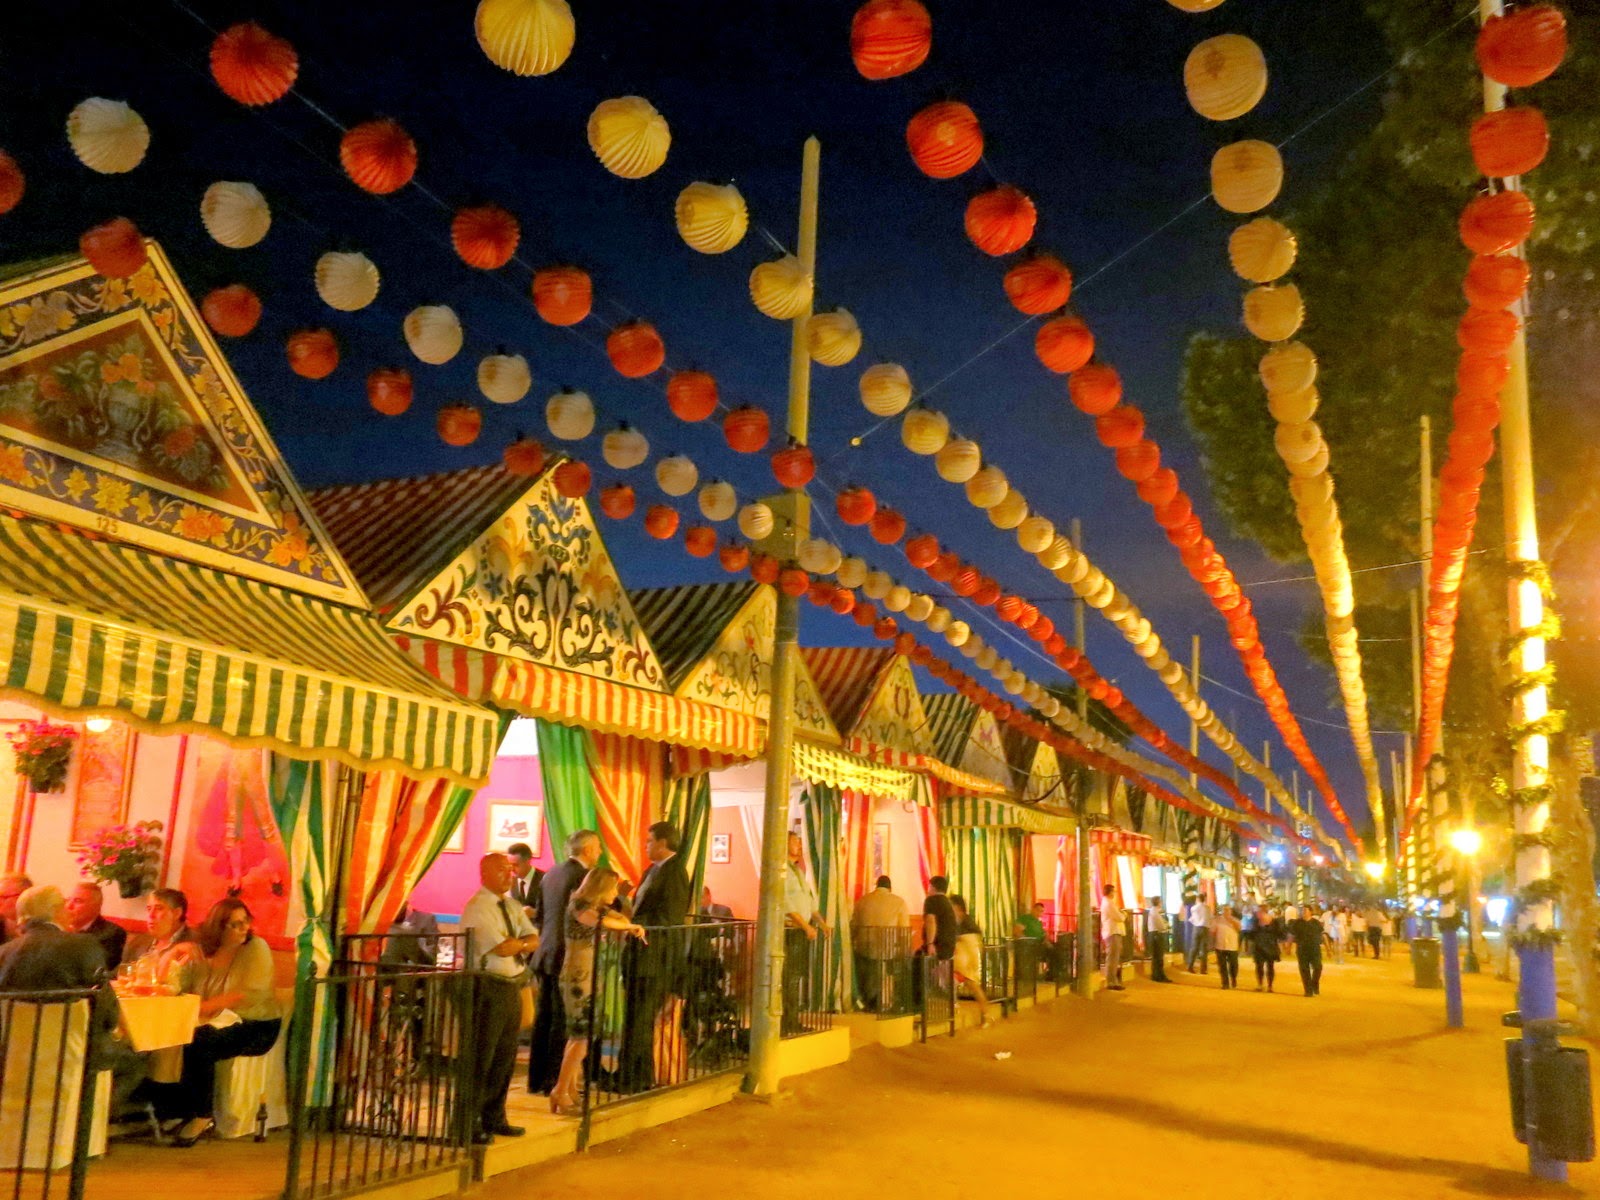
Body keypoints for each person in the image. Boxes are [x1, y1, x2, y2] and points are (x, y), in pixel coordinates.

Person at [158, 898, 283, 1146]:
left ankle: (202, 1115)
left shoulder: (256, 947)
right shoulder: (204, 950)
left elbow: (246, 994)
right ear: (219, 927)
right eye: (235, 925)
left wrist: (201, 1009)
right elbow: (169, 982)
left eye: (245, 922)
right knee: (167, 1035)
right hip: (213, 1019)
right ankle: (173, 1109)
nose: (243, 929)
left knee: (199, 1040)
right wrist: (173, 952)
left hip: (255, 1023)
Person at [549, 867, 645, 1115]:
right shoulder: (579, 905)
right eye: (612, 887)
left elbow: (620, 918)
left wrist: (629, 923)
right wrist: (628, 927)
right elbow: (601, 922)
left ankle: (568, 1089)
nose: (615, 892)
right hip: (578, 976)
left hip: (591, 975)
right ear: (600, 887)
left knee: (581, 1036)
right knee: (581, 1035)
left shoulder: (597, 906)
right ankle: (560, 1090)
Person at [459, 853, 538, 1142]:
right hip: (488, 986)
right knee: (483, 1056)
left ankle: (495, 1116)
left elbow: (534, 939)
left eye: (511, 870)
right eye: (502, 870)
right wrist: (521, 944)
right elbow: (502, 948)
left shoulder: (511, 904)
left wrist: (520, 943)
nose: (510, 875)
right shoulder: (479, 908)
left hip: (511, 984)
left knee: (505, 1056)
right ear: (485, 873)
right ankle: (469, 1122)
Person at [618, 821, 692, 1091]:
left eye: (649, 841)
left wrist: (637, 922)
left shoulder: (674, 872)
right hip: (640, 953)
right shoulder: (652, 869)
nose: (646, 845)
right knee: (633, 1016)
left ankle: (637, 1077)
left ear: (663, 843)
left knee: (642, 1018)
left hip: (654, 956)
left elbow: (669, 918)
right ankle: (627, 1072)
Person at [528, 830, 601, 1094]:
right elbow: (586, 915)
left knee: (544, 1017)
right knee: (564, 1021)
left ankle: (536, 1079)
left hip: (546, 950)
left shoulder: (550, 873)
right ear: (588, 850)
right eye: (598, 848)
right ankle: (554, 1082)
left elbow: (540, 914)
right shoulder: (583, 878)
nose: (600, 853)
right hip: (568, 954)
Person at [781, 830, 830, 1034]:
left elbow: (809, 903)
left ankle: (793, 1019)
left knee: (797, 977)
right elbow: (787, 904)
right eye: (795, 843)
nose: (799, 847)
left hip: (802, 932)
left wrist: (821, 922)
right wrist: (806, 926)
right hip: (791, 931)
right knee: (789, 978)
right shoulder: (781, 871)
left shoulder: (798, 872)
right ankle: (787, 1022)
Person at [852, 875, 909, 1012]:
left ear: (876, 886)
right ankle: (884, 1004)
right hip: (887, 947)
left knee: (868, 978)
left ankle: (868, 1003)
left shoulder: (862, 901)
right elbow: (904, 930)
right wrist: (904, 950)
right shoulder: (899, 902)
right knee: (886, 977)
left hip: (864, 947)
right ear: (890, 888)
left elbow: (854, 925)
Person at [121, 887, 198, 988]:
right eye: (149, 909)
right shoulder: (137, 942)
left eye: (159, 908)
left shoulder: (195, 944)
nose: (151, 915)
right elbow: (120, 973)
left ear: (176, 913)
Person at [949, 895, 994, 1026]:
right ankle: (956, 1006)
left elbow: (967, 943)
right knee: (958, 981)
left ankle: (986, 1015)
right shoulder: (964, 921)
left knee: (972, 984)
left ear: (958, 907)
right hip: (966, 957)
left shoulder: (963, 922)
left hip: (967, 956)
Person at [64, 881, 127, 973]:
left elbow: (97, 970)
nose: (69, 906)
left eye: (78, 901)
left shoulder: (112, 933)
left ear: (96, 907)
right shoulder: (59, 930)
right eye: (68, 900)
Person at [1288, 903, 1325, 996]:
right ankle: (1308, 990)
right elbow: (1292, 935)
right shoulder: (1297, 923)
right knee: (1304, 970)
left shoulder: (1316, 923)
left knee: (1318, 967)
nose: (1303, 912)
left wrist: (1327, 948)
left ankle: (1314, 983)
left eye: (1305, 910)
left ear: (1310, 912)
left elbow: (1321, 934)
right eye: (1302, 910)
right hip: (1302, 949)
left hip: (1314, 949)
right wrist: (1288, 947)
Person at [507, 842, 544, 926]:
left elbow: (555, 911)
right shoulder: (510, 881)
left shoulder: (546, 879)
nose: (511, 869)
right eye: (509, 865)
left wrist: (535, 913)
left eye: (515, 865)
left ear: (528, 861)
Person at [1248, 905, 1282, 992]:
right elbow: (1251, 935)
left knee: (1270, 966)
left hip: (1270, 946)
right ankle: (1260, 984)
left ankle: (1270, 986)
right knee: (1259, 966)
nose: (1258, 913)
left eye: (1259, 911)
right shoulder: (1256, 922)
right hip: (1259, 946)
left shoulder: (1274, 922)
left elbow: (1280, 934)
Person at [1101, 884, 1125, 992]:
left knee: (1114, 957)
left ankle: (1113, 980)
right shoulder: (1108, 903)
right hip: (1112, 932)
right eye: (1114, 891)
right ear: (1110, 892)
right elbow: (1119, 917)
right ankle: (1111, 981)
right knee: (1113, 958)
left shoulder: (1108, 903)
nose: (1115, 894)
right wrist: (1124, 914)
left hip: (1113, 932)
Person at [1211, 906, 1241, 988]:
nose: (1226, 911)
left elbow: (1239, 929)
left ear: (1231, 911)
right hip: (1220, 945)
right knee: (1222, 966)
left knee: (1233, 966)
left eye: (1228, 910)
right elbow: (1212, 932)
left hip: (1232, 946)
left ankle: (1233, 978)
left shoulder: (1235, 920)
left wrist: (1231, 921)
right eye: (1225, 910)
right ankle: (1225, 983)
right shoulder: (1217, 920)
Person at [1145, 897, 1171, 983]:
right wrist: (1166, 926)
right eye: (1160, 901)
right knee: (1158, 957)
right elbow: (1161, 925)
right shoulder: (1155, 912)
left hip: (1154, 934)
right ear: (1158, 902)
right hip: (1157, 935)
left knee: (1156, 957)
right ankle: (1159, 975)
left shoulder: (1154, 911)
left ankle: (1156, 975)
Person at [1185, 893, 1211, 973]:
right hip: (1205, 928)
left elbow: (1191, 919)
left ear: (1198, 899)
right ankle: (1203, 969)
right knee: (1203, 949)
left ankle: (1190, 966)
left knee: (1194, 948)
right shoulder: (1207, 908)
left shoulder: (1193, 908)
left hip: (1196, 928)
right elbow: (1211, 918)